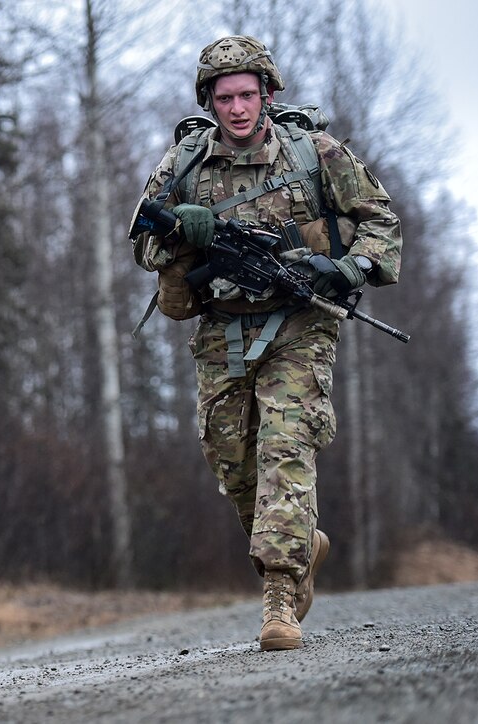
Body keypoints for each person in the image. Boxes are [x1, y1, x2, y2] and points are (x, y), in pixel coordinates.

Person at [131, 36, 402, 651]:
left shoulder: (316, 153)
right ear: (209, 102)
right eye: (224, 97)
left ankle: (280, 596)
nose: (237, 108)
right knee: (232, 464)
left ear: (268, 94)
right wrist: (182, 237)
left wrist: (350, 267)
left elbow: (381, 218)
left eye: (247, 94)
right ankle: (302, 542)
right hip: (222, 325)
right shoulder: (183, 164)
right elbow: (143, 243)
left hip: (301, 322)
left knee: (286, 445)